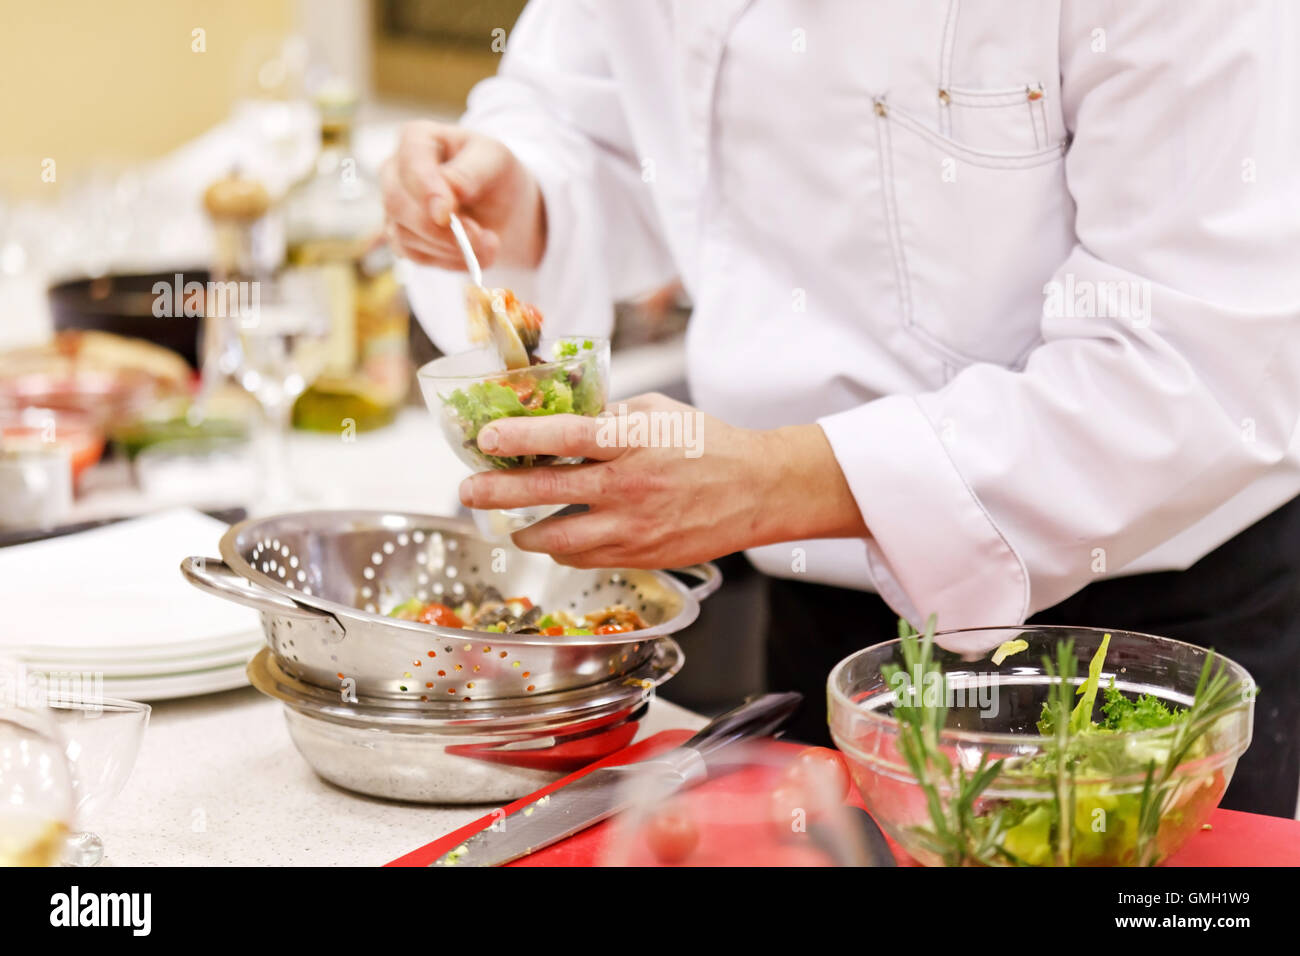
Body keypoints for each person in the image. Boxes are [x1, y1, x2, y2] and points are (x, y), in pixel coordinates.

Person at [382, 1, 1300, 817]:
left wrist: (776, 482)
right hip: (828, 620)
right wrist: (526, 191)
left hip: (1141, 632)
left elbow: (1197, 361)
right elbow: (593, 113)